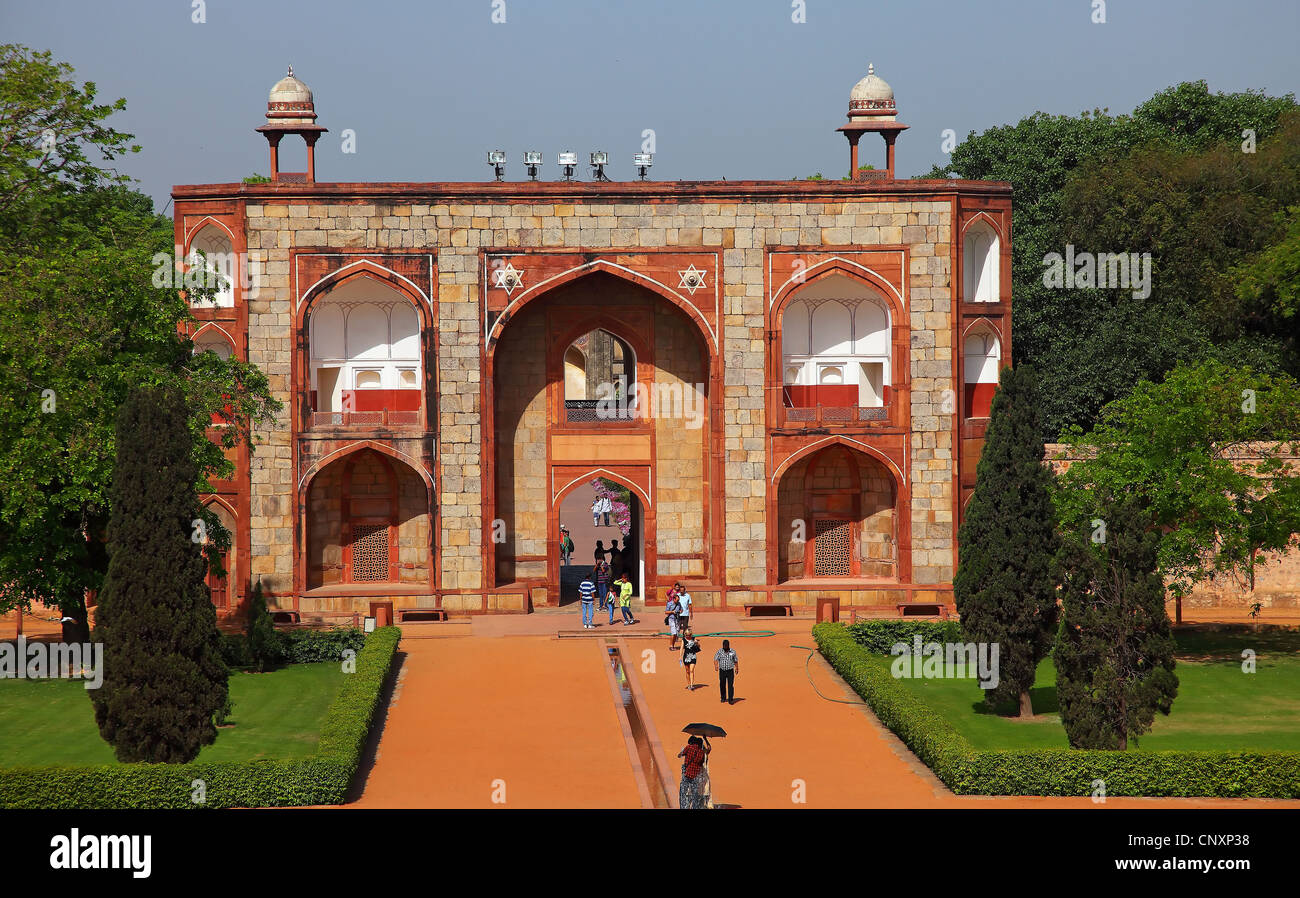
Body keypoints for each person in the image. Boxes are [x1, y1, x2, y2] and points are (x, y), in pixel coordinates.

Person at [677, 735, 711, 809]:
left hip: (686, 775)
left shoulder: (689, 747)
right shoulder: (702, 753)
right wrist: (705, 738)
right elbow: (708, 751)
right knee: (695, 795)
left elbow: (679, 755)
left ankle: (683, 807)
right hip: (695, 777)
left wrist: (681, 753)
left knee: (683, 793)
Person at [714, 639, 739, 703]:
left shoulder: (733, 652)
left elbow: (735, 660)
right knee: (722, 684)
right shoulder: (720, 651)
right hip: (722, 671)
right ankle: (723, 698)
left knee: (730, 685)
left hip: (730, 671)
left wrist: (737, 668)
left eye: (726, 645)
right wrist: (716, 666)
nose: (725, 647)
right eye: (724, 645)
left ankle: (730, 699)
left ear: (728, 645)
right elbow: (715, 659)